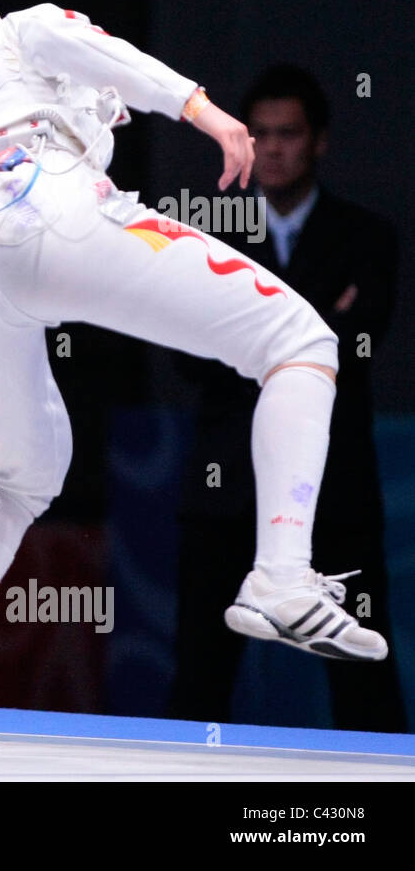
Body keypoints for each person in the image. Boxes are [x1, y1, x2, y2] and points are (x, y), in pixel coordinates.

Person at [0, 0, 389, 753]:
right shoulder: (20, 31)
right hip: (55, 215)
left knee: (21, 473)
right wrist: (206, 114)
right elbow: (107, 53)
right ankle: (281, 572)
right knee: (299, 342)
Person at [169, 65, 405, 731]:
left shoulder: (367, 236)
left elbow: (356, 349)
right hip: (224, 494)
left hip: (334, 495)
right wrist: (308, 335)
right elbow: (186, 355)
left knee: (365, 684)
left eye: (289, 134)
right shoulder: (207, 234)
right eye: (261, 134)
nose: (273, 148)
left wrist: (245, 337)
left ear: (318, 142)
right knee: (199, 680)